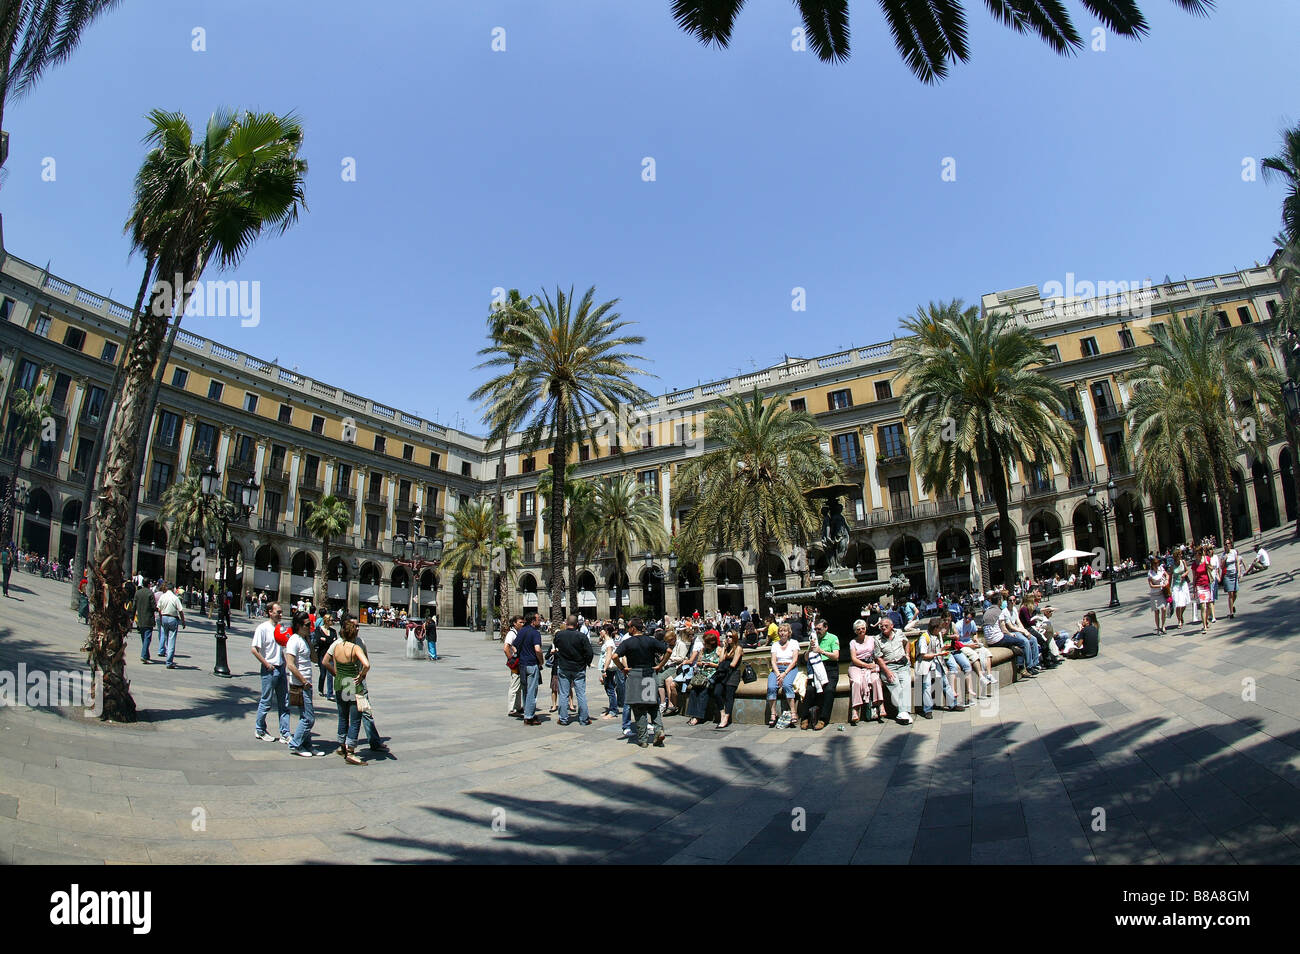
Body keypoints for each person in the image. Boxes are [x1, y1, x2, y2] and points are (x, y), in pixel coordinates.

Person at [615, 618, 668, 747]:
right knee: (653, 706)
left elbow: (614, 656)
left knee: (638, 708)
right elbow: (668, 650)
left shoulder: (628, 642)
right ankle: (659, 729)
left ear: (633, 628)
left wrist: (622, 669)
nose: (628, 629)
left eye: (629, 627)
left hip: (635, 676)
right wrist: (660, 665)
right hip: (649, 674)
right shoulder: (650, 640)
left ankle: (643, 739)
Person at [324, 618, 369, 765]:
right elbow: (366, 664)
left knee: (343, 716)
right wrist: (361, 676)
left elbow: (328, 663)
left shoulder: (337, 646)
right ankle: (350, 751)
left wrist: (336, 674)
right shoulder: (355, 647)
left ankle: (341, 745)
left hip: (340, 682)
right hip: (352, 684)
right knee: (355, 718)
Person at [283, 611, 322, 757]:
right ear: (299, 625)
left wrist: (309, 641)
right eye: (307, 625)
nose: (309, 627)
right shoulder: (293, 640)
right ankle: (295, 744)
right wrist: (303, 680)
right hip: (300, 684)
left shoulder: (303, 640)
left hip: (306, 683)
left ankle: (307, 745)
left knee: (304, 716)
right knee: (308, 718)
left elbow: (314, 659)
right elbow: (290, 665)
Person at [251, 602, 290, 744]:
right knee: (266, 701)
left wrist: (285, 664)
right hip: (270, 669)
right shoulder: (262, 628)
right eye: (278, 612)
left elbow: (281, 648)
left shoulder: (280, 629)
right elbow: (254, 649)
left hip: (280, 668)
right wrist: (266, 664)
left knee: (284, 701)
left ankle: (285, 733)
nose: (280, 615)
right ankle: (260, 729)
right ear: (269, 612)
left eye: (281, 612)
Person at [553, 615, 594, 726]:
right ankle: (584, 719)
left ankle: (563, 719)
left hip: (564, 667)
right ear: (577, 624)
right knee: (581, 694)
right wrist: (587, 662)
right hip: (579, 668)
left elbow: (556, 646)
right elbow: (589, 652)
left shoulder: (559, 635)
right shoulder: (581, 636)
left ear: (566, 623)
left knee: (563, 693)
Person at [914, 616, 958, 719]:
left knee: (945, 683)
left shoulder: (938, 635)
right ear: (934, 628)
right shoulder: (924, 637)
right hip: (926, 665)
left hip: (937, 663)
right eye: (939, 628)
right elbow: (923, 655)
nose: (941, 630)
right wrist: (937, 655)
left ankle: (952, 704)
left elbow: (939, 648)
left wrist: (944, 649)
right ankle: (927, 710)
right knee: (927, 687)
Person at [873, 617, 913, 724]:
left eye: (886, 625)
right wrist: (887, 671)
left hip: (902, 665)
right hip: (889, 667)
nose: (883, 627)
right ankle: (904, 713)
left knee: (906, 685)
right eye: (881, 626)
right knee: (895, 685)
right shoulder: (877, 639)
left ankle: (903, 713)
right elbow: (878, 658)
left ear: (892, 626)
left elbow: (907, 643)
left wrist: (907, 655)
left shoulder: (899, 633)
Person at [847, 618, 885, 724]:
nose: (861, 631)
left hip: (871, 664)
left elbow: (877, 652)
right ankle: (855, 710)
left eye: (863, 628)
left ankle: (881, 705)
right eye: (858, 629)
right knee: (856, 682)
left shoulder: (872, 639)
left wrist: (873, 664)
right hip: (856, 666)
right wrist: (865, 665)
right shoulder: (853, 642)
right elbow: (854, 658)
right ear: (855, 631)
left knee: (876, 680)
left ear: (866, 628)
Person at [805, 618, 840, 730]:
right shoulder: (814, 639)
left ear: (826, 628)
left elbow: (836, 656)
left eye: (819, 629)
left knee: (829, 690)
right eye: (815, 629)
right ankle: (805, 717)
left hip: (830, 667)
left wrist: (822, 651)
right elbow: (806, 659)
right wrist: (810, 649)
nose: (817, 631)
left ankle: (823, 719)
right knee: (809, 689)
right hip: (816, 668)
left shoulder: (833, 638)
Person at [766, 623, 800, 728]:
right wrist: (778, 674)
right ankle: (773, 714)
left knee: (787, 685)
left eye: (784, 631)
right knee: (771, 687)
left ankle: (793, 712)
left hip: (790, 668)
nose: (782, 633)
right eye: (780, 631)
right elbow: (773, 661)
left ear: (789, 633)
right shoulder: (775, 645)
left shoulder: (794, 643)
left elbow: (794, 660)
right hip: (777, 669)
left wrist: (784, 674)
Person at [685, 630, 721, 726]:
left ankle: (698, 716)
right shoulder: (703, 650)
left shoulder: (718, 650)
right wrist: (702, 663)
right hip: (701, 675)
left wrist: (711, 664)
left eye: (706, 643)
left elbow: (720, 665)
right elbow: (698, 662)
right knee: (693, 691)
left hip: (712, 676)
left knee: (703, 692)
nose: (704, 644)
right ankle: (692, 714)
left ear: (711, 643)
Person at [516, 612, 545, 725]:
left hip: (522, 665)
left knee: (525, 691)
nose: (540, 621)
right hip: (532, 664)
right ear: (533, 621)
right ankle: (529, 717)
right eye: (538, 619)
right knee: (532, 691)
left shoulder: (522, 631)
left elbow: (514, 646)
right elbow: (537, 649)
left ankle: (527, 713)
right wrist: (541, 661)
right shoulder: (535, 633)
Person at [713, 629, 744, 729]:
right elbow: (720, 660)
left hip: (733, 673)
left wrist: (724, 663)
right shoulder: (726, 648)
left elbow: (734, 664)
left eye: (730, 636)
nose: (728, 638)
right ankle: (722, 712)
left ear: (735, 637)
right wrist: (724, 648)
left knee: (729, 694)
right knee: (717, 692)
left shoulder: (738, 648)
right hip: (724, 673)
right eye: (727, 636)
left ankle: (726, 717)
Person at [155, 581, 187, 669]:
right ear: (173, 589)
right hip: (173, 618)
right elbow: (180, 610)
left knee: (165, 637)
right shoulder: (175, 598)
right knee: (172, 639)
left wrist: (161, 617)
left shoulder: (163, 596)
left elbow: (159, 608)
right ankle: (169, 661)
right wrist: (183, 622)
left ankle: (163, 650)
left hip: (164, 618)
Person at [597, 624, 623, 720]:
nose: (600, 632)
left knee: (610, 689)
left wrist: (605, 669)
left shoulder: (609, 643)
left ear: (606, 631)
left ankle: (613, 710)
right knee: (608, 688)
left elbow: (608, 657)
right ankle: (611, 708)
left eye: (602, 630)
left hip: (608, 668)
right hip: (606, 668)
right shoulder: (607, 641)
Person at [503, 615, 524, 717]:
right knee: (514, 685)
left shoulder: (518, 633)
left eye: (523, 622)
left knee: (518, 685)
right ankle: (511, 709)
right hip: (515, 663)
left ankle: (518, 706)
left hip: (519, 662)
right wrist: (511, 660)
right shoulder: (511, 634)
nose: (522, 624)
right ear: (515, 623)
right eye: (520, 622)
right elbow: (506, 647)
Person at [314, 613, 337, 700]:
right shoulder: (319, 630)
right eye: (331, 620)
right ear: (326, 621)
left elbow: (334, 642)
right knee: (323, 674)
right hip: (322, 654)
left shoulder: (333, 631)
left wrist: (325, 640)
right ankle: (320, 689)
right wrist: (329, 640)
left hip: (330, 655)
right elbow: (318, 641)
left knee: (330, 675)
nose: (332, 622)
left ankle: (330, 694)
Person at [1192, 544, 1214, 634]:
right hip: (1199, 586)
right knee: (1202, 606)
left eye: (1198, 553)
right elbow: (1194, 577)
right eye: (1195, 554)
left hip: (1206, 585)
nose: (1196, 555)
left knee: (1208, 605)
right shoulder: (1194, 564)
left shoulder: (1206, 559)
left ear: (1201, 553)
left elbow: (1212, 569)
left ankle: (1206, 619)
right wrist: (1194, 589)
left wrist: (1208, 565)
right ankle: (1204, 625)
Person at [134, 579, 156, 663]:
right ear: (149, 584)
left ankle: (146, 655)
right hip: (148, 618)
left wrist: (131, 617)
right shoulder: (150, 593)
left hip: (140, 619)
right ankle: (143, 655)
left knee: (144, 637)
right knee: (147, 638)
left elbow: (134, 606)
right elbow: (153, 607)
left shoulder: (138, 593)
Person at [1147, 556, 1169, 635]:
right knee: (1156, 612)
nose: (1156, 565)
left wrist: (1166, 580)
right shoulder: (1150, 573)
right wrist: (1160, 586)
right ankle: (1158, 627)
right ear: (1152, 565)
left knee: (1164, 609)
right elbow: (1151, 585)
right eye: (1155, 564)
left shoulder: (1161, 569)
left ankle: (1163, 626)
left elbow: (1167, 575)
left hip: (1161, 593)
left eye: (1157, 564)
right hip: (1154, 594)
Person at [1170, 548, 1191, 628]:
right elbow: (1170, 577)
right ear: (1176, 556)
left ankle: (1180, 615)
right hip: (1176, 585)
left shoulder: (1183, 562)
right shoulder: (1172, 566)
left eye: (1181, 554)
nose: (1181, 556)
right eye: (1179, 555)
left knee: (1184, 602)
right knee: (1178, 603)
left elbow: (1187, 570)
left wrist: (1184, 574)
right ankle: (1179, 621)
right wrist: (1168, 587)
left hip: (1183, 584)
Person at [1221, 538, 1240, 618]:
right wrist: (1224, 560)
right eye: (1225, 544)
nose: (1227, 545)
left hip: (1234, 574)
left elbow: (1237, 562)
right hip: (1227, 575)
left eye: (1228, 543)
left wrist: (1239, 572)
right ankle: (1231, 612)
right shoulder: (1223, 555)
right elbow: (1221, 567)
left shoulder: (1234, 552)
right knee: (1231, 594)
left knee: (1235, 593)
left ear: (1230, 544)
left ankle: (1232, 605)